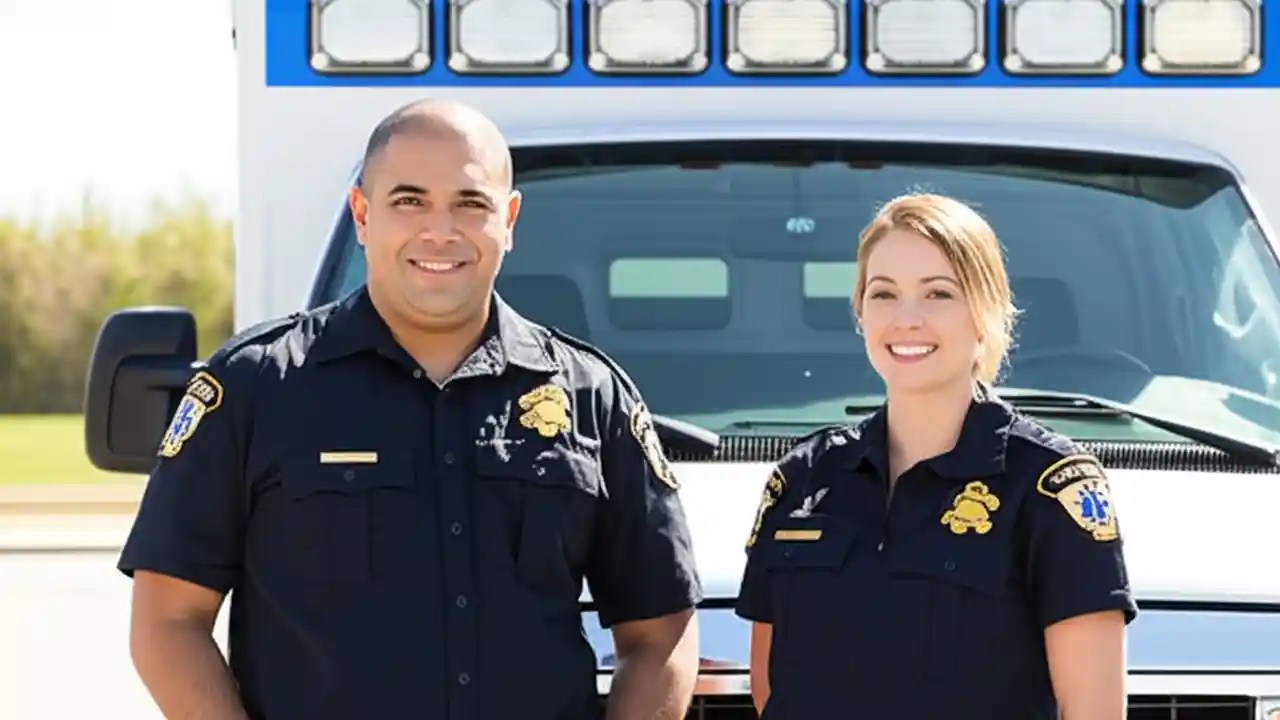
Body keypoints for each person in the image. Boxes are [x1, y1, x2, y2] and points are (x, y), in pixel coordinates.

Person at [117, 98, 702, 720]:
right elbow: (169, 620)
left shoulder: (591, 397)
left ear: (509, 219)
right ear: (363, 214)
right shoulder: (258, 386)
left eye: (470, 204)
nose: (440, 230)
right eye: (409, 200)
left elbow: (659, 630)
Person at [735, 193, 1138, 719]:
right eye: (883, 294)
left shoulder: (1047, 487)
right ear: (859, 311)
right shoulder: (803, 482)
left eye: (938, 294)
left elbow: (1094, 712)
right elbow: (773, 693)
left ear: (986, 313)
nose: (906, 319)